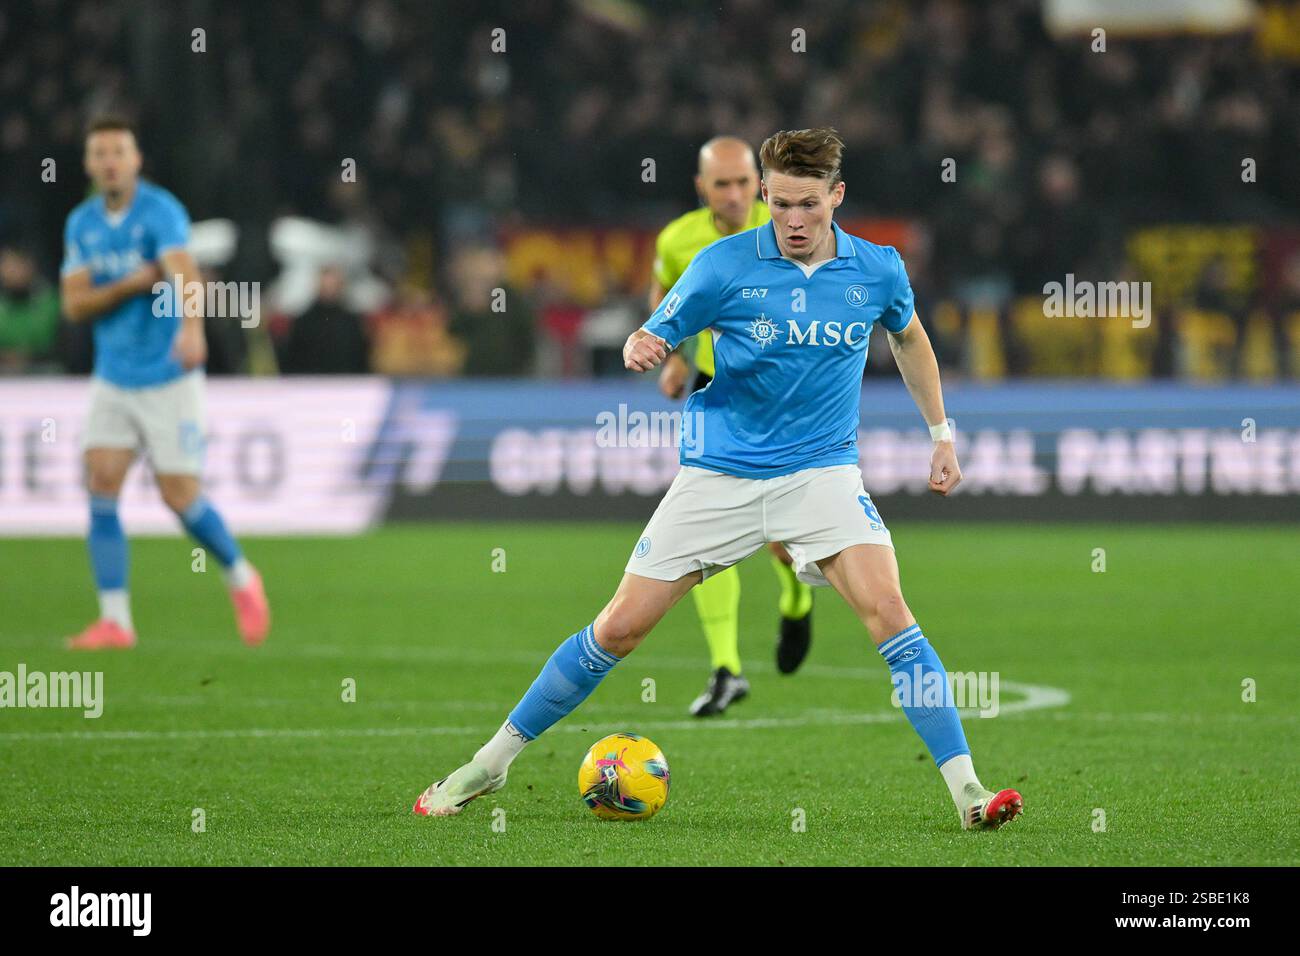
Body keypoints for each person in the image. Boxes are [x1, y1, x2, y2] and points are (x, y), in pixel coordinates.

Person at [413, 128, 1022, 831]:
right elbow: (659, 328)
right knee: (619, 629)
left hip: (822, 474)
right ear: (764, 195)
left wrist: (941, 434)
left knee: (891, 613)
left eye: (809, 205)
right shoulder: (723, 264)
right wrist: (645, 342)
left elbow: (909, 337)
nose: (793, 220)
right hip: (721, 476)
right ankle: (491, 762)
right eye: (781, 203)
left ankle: (969, 792)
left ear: (837, 197)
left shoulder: (877, 270)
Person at [60, 116, 270, 650]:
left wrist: (193, 328)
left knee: (178, 496)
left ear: (135, 161)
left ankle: (240, 575)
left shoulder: (161, 211)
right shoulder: (81, 224)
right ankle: (115, 621)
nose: (110, 161)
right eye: (100, 153)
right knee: (101, 481)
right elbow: (74, 304)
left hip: (167, 375)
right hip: (113, 375)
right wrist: (133, 281)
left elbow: (182, 273)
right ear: (89, 165)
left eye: (118, 152)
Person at [648, 136, 815, 717]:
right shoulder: (678, 240)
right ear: (703, 189)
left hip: (783, 400)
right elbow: (668, 294)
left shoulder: (794, 228)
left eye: (746, 183)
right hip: (715, 398)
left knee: (780, 540)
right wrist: (672, 354)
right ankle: (727, 669)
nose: (737, 194)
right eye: (723, 185)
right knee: (708, 536)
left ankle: (796, 597)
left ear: (761, 184)